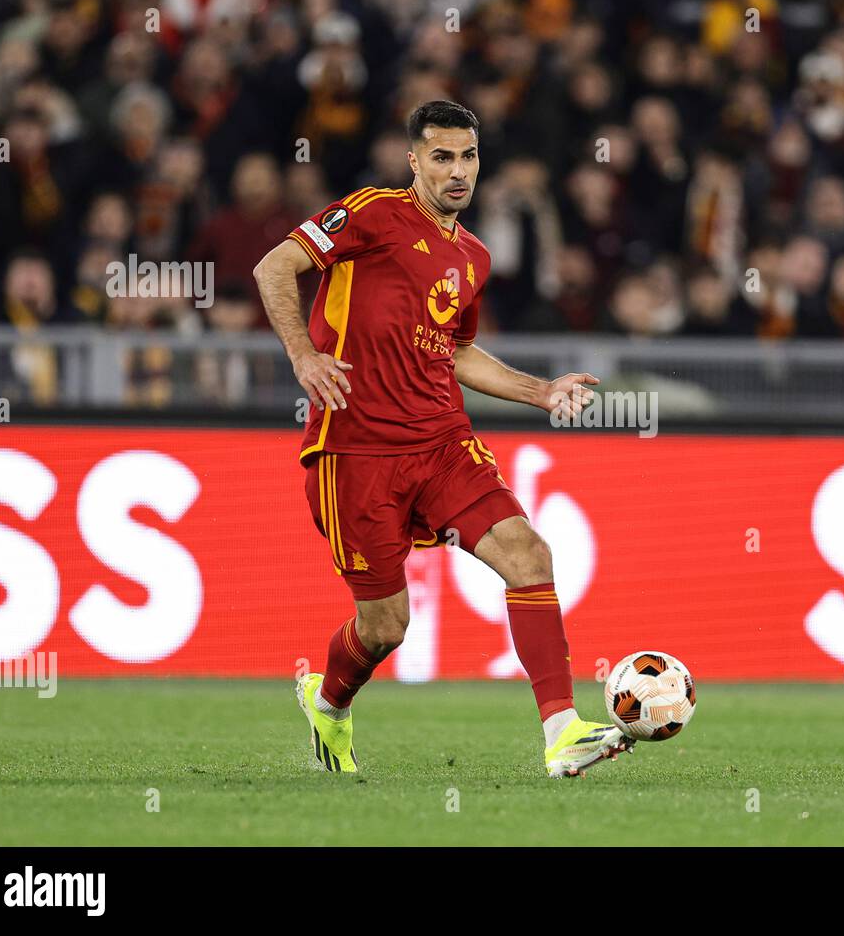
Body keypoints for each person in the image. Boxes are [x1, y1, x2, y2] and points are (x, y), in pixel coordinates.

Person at [252, 100, 632, 778]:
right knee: (385, 628)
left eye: (469, 157)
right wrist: (303, 357)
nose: (458, 172)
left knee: (529, 555)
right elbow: (273, 269)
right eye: (442, 157)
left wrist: (540, 391)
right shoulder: (370, 213)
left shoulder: (473, 257)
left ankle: (562, 731)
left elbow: (456, 352)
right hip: (355, 449)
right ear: (415, 161)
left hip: (442, 442)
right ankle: (329, 702)